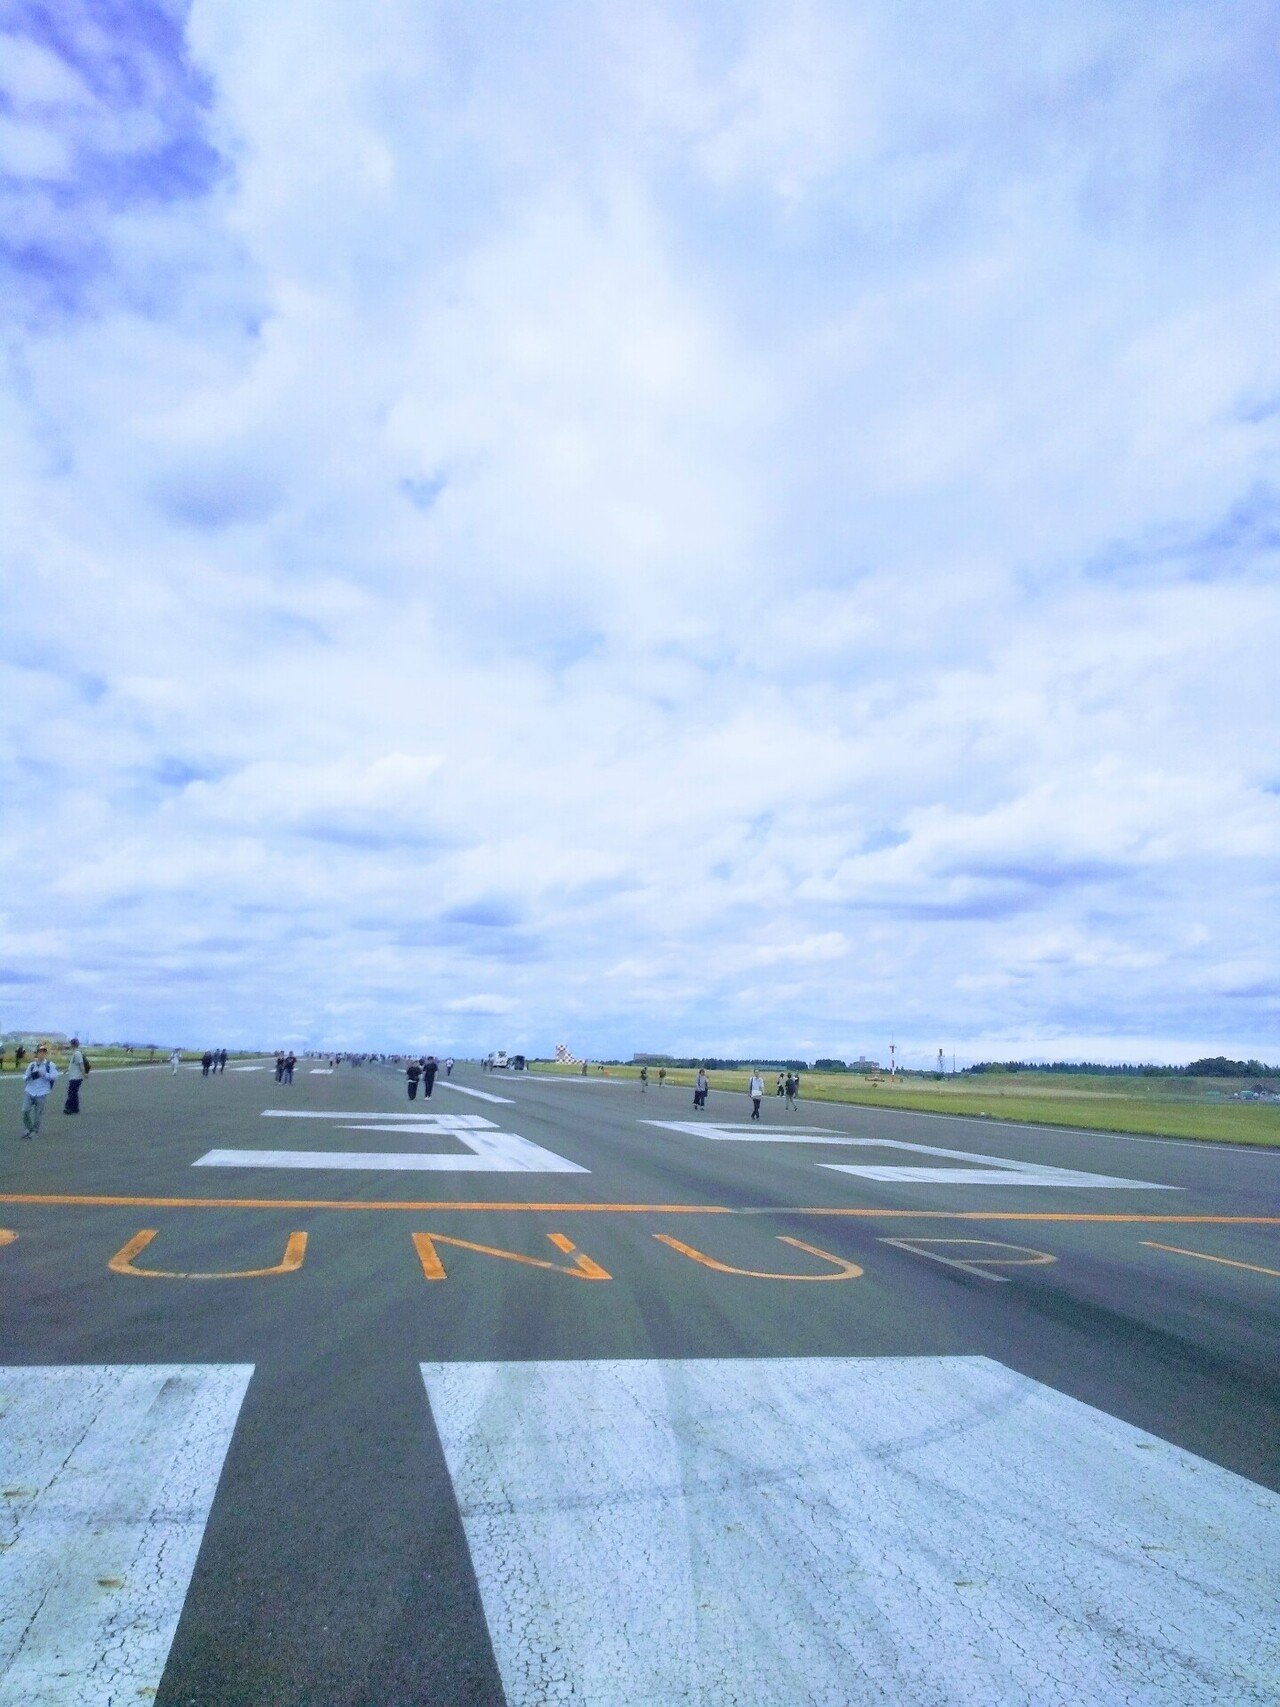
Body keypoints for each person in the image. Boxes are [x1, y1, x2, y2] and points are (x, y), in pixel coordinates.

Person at [21, 1043, 58, 1139]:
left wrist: (45, 1074)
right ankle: (29, 1129)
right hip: (30, 1091)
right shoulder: (32, 1065)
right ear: (36, 1053)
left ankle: (34, 1132)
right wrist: (29, 1077)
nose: (42, 1054)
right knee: (25, 1110)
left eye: (44, 1052)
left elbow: (55, 1076)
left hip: (42, 1093)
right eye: (40, 1052)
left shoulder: (50, 1065)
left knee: (38, 1115)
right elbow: (25, 1076)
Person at [64, 1038, 87, 1114]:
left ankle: (69, 1108)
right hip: (74, 1076)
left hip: (76, 1077)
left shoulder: (77, 1053)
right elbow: (73, 1064)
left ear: (72, 1044)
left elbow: (81, 1064)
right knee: (74, 1092)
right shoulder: (75, 1053)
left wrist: (84, 1074)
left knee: (71, 1092)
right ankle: (75, 1108)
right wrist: (67, 1070)